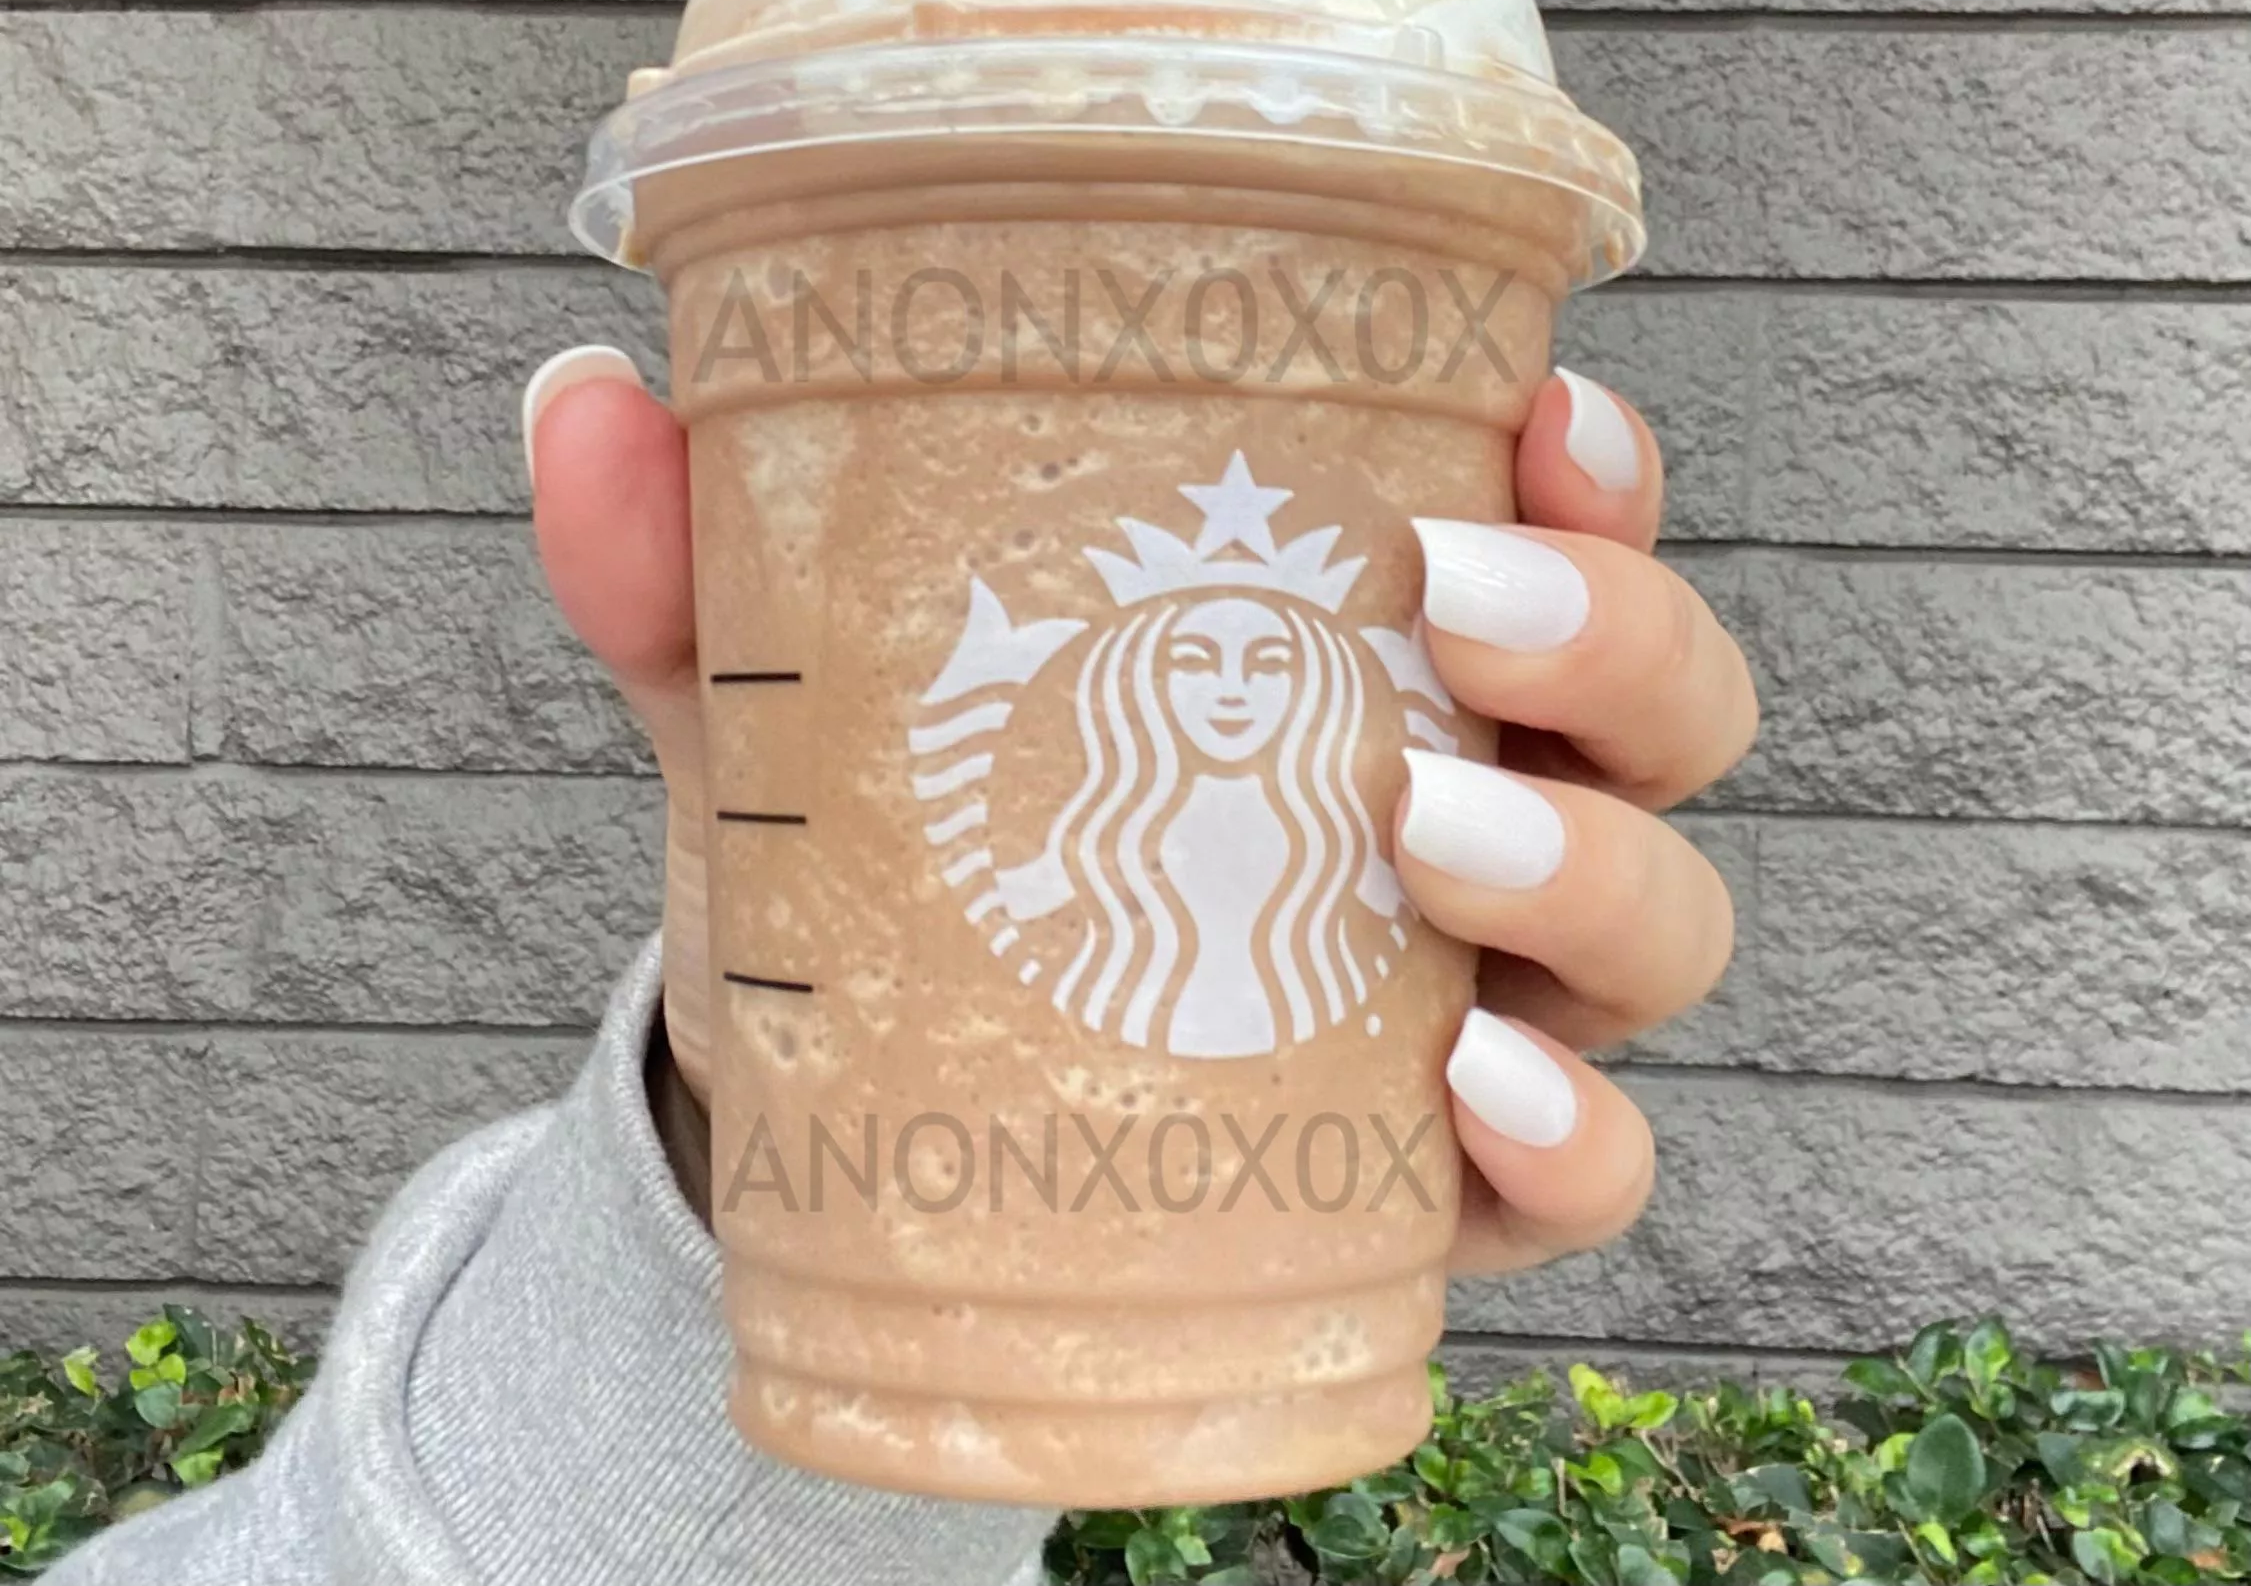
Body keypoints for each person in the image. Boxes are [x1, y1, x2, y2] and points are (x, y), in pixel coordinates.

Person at [54, 353, 1754, 1585]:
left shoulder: (1315, 834)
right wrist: (815, 1168)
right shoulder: (1103, 852)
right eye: (1194, 650)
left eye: (1268, 647)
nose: (1232, 683)